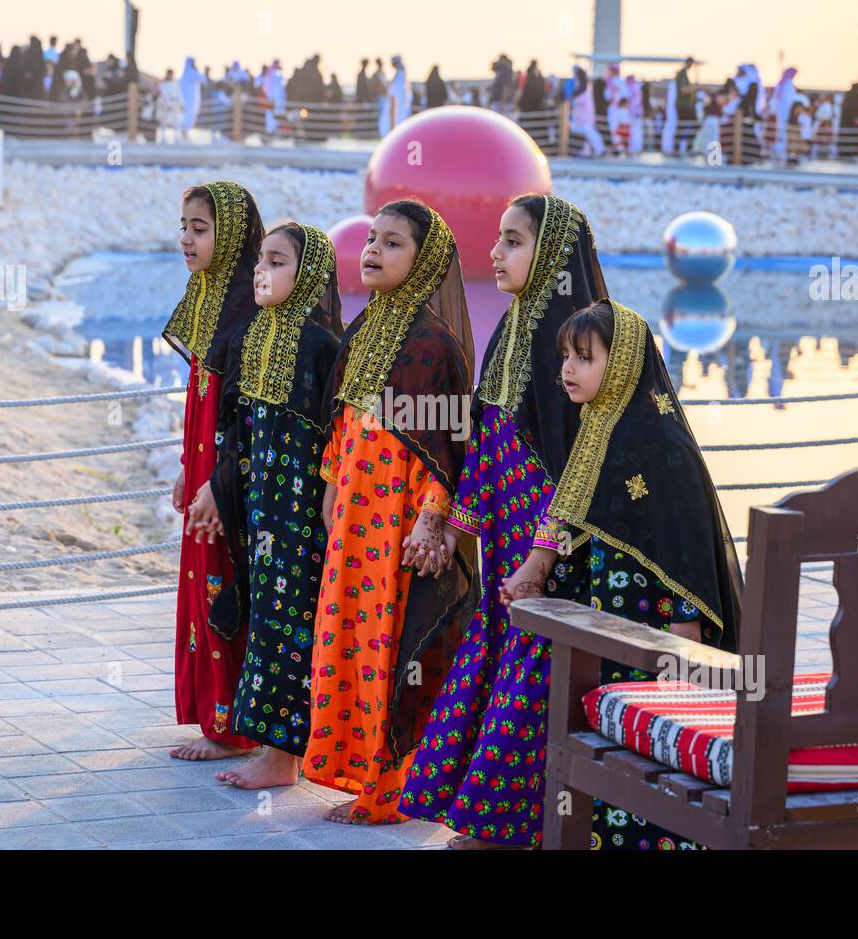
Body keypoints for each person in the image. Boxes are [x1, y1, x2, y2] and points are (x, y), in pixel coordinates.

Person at [400, 195, 606, 848]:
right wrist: (449, 524)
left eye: (513, 241)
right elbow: (486, 451)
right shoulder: (509, 334)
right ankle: (503, 821)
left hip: (555, 555)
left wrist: (543, 555)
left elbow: (582, 464)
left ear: (551, 255)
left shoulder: (577, 347)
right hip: (505, 549)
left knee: (540, 675)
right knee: (504, 665)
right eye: (498, 240)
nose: (495, 253)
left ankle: (508, 826)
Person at [500, 299, 743, 850]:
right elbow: (568, 515)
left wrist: (686, 632)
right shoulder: (595, 428)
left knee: (642, 746)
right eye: (565, 355)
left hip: (649, 629)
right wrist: (535, 570)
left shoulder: (661, 442)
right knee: (597, 736)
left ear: (627, 361)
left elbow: (687, 545)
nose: (567, 369)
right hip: (601, 622)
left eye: (583, 357)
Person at [304, 200, 478, 824]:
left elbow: (452, 450)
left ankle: (396, 790)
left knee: (395, 648)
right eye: (372, 238)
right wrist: (329, 484)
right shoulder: (363, 329)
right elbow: (341, 423)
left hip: (399, 527)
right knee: (348, 639)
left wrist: (432, 520)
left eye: (394, 243)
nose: (374, 250)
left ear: (424, 258)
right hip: (351, 517)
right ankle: (359, 771)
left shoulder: (436, 346)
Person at [200, 223, 345, 790]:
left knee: (293, 623)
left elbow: (337, 434)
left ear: (307, 274)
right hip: (260, 511)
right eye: (261, 259)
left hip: (303, 514)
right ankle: (271, 746)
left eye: (278, 261)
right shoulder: (252, 336)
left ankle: (284, 758)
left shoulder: (321, 346)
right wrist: (219, 486)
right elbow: (237, 429)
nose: (261, 270)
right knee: (264, 616)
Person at [163, 182, 267, 762]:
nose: (186, 239)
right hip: (202, 470)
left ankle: (233, 728)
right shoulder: (207, 298)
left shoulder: (249, 311)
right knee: (202, 584)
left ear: (228, 237)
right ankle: (210, 713)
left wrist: (214, 482)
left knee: (227, 585)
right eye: (184, 226)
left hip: (228, 479)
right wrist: (187, 467)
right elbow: (200, 400)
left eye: (200, 229)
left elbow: (242, 413)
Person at [569, 67, 603, 157]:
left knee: (590, 134)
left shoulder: (585, 87)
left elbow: (580, 100)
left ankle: (599, 150)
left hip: (585, 117)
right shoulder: (579, 85)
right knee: (584, 136)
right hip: (579, 116)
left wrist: (572, 101)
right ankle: (584, 152)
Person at [179, 56, 201, 137]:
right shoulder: (191, 71)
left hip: (188, 99)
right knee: (189, 115)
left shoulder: (185, 72)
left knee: (189, 115)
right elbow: (201, 79)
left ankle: (184, 131)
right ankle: (183, 130)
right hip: (190, 99)